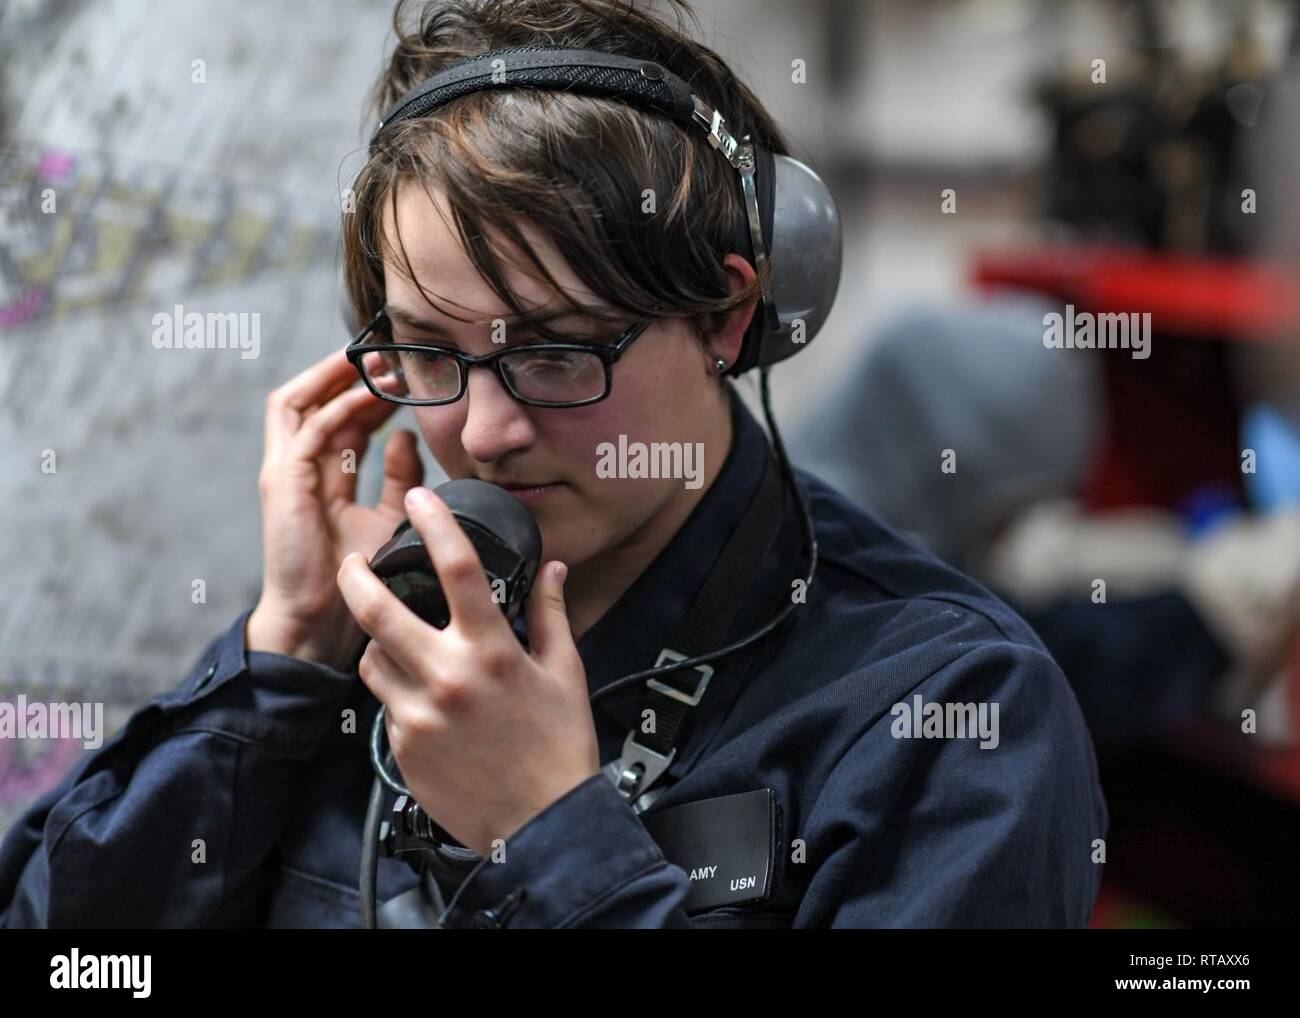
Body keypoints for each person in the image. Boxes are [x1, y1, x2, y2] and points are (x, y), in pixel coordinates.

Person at [0, 0, 1106, 928]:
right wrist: (278, 659)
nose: (481, 433)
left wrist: (548, 835)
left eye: (556, 351)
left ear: (729, 315)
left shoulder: (948, 712)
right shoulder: (357, 636)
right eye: (428, 351)